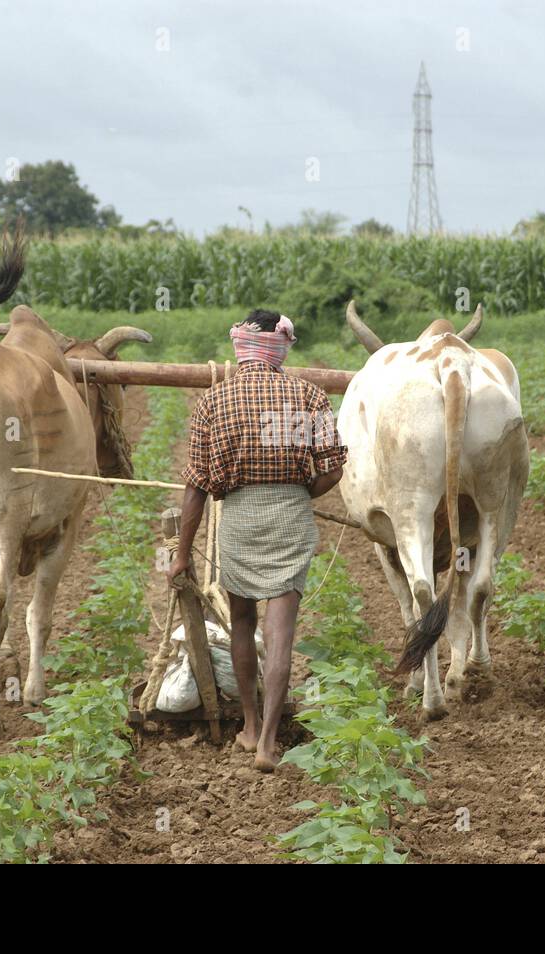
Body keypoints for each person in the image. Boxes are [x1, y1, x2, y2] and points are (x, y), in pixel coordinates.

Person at [168, 310, 347, 772]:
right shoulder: (308, 395)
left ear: (240, 346)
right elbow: (332, 469)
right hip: (290, 518)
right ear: (279, 347)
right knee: (281, 634)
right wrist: (299, 491)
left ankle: (248, 725)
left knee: (242, 624)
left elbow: (197, 487)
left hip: (240, 520)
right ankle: (269, 743)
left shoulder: (213, 402)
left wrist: (182, 555)